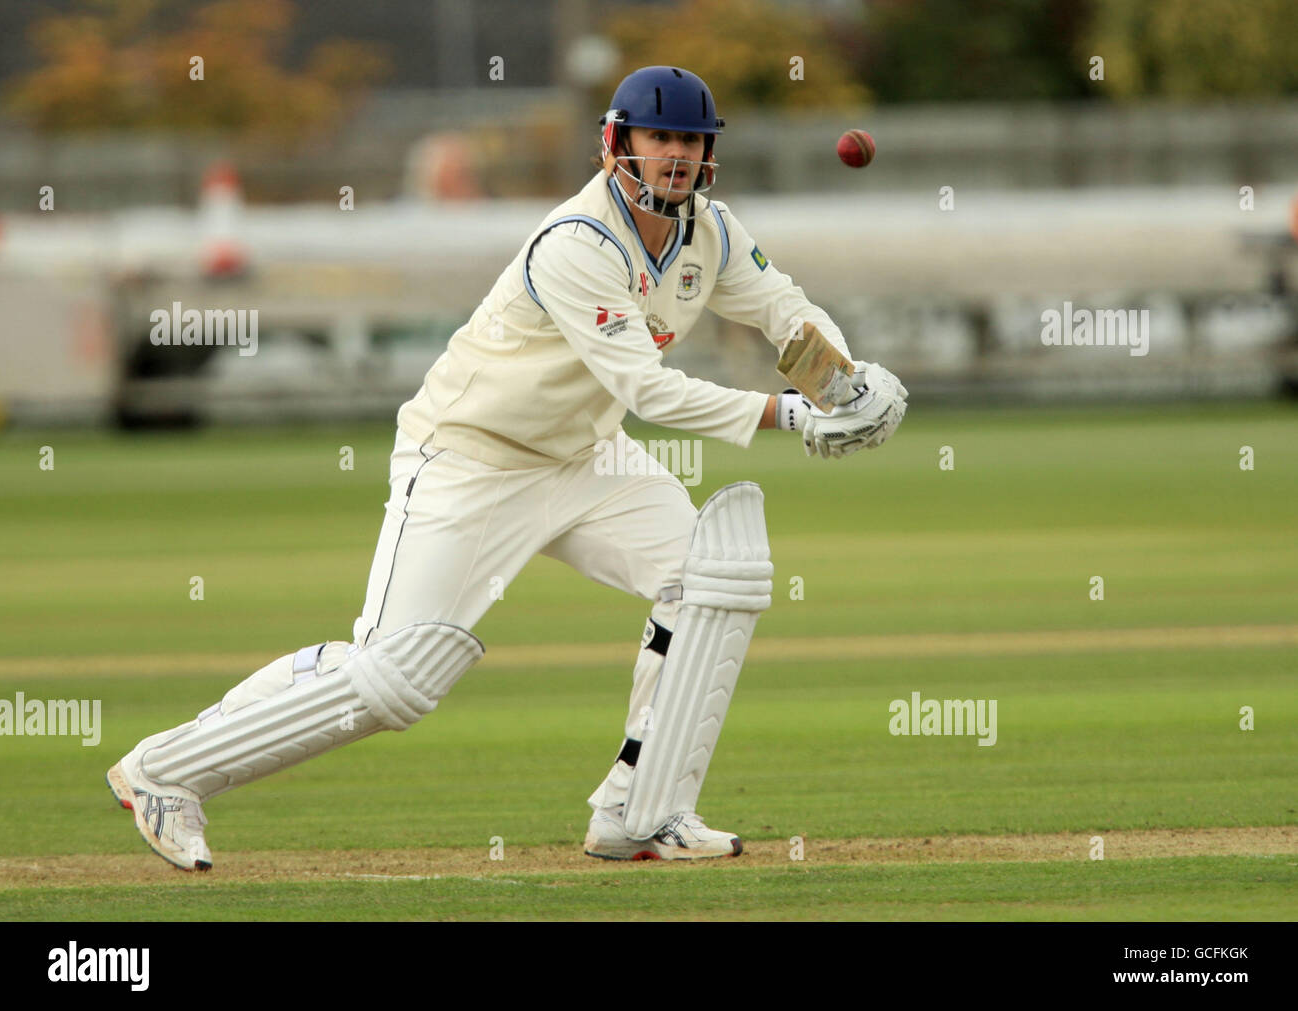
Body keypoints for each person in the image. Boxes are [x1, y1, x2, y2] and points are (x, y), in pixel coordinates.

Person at [106, 66, 907, 869]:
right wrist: (794, 414)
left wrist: (848, 382)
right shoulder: (577, 243)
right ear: (615, 143)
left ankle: (642, 809)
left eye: (690, 141)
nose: (675, 156)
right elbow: (646, 389)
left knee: (712, 573)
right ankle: (165, 770)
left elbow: (786, 309)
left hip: (584, 456)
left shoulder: (715, 231)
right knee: (396, 679)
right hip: (470, 458)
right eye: (658, 137)